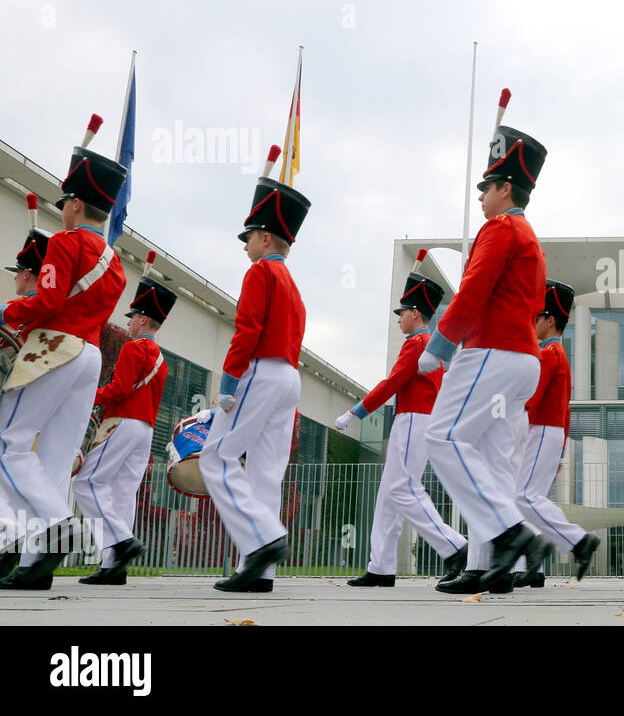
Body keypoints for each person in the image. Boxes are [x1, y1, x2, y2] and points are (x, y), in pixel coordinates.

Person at [419, 125, 552, 594]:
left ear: (506, 189)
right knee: (493, 462)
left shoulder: (499, 229)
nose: (481, 197)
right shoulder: (528, 236)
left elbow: (473, 292)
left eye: (487, 188)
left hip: (491, 352)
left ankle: (512, 534)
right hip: (521, 360)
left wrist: (439, 344)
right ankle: (488, 567)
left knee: (443, 438)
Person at [0, 137, 127, 590]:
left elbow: (49, 300)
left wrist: (7, 313)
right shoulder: (115, 261)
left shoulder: (66, 242)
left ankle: (54, 526)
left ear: (74, 204)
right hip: (89, 357)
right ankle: (36, 565)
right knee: (53, 461)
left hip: (55, 347)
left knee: (8, 444)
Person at [197, 172, 309, 592]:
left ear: (265, 238)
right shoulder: (292, 284)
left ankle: (263, 537)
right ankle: (260, 572)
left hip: (259, 371)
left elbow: (246, 329)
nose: (245, 245)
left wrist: (228, 380)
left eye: (249, 237)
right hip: (288, 377)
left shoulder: (261, 272)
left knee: (215, 458)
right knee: (266, 474)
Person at [337, 271, 467, 588]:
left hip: (413, 421)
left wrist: (355, 411)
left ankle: (455, 546)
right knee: (388, 497)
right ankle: (380, 566)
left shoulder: (418, 344)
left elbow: (392, 383)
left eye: (402, 313)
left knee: (401, 491)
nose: (399, 320)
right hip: (414, 421)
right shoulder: (425, 344)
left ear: (415, 313)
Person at [73, 272, 175, 585]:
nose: (128, 323)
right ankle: (114, 567)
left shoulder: (134, 349)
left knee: (87, 483)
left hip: (122, 421)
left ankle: (121, 540)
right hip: (145, 429)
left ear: (143, 320)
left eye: (133, 318)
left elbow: (119, 388)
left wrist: (88, 396)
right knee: (122, 494)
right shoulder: (160, 357)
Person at [505, 280, 600, 588]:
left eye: (536, 318)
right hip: (551, 432)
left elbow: (530, 400)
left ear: (549, 320)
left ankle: (578, 541)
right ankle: (534, 568)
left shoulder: (548, 354)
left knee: (523, 497)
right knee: (527, 499)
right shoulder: (558, 354)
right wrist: (559, 451)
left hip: (541, 429)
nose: (532, 324)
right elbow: (567, 410)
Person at [0, 218, 51, 580]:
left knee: (8, 462)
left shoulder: (21, 312)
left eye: (19, 272)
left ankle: (12, 540)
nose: (14, 278)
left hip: (15, 394)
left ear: (29, 275)